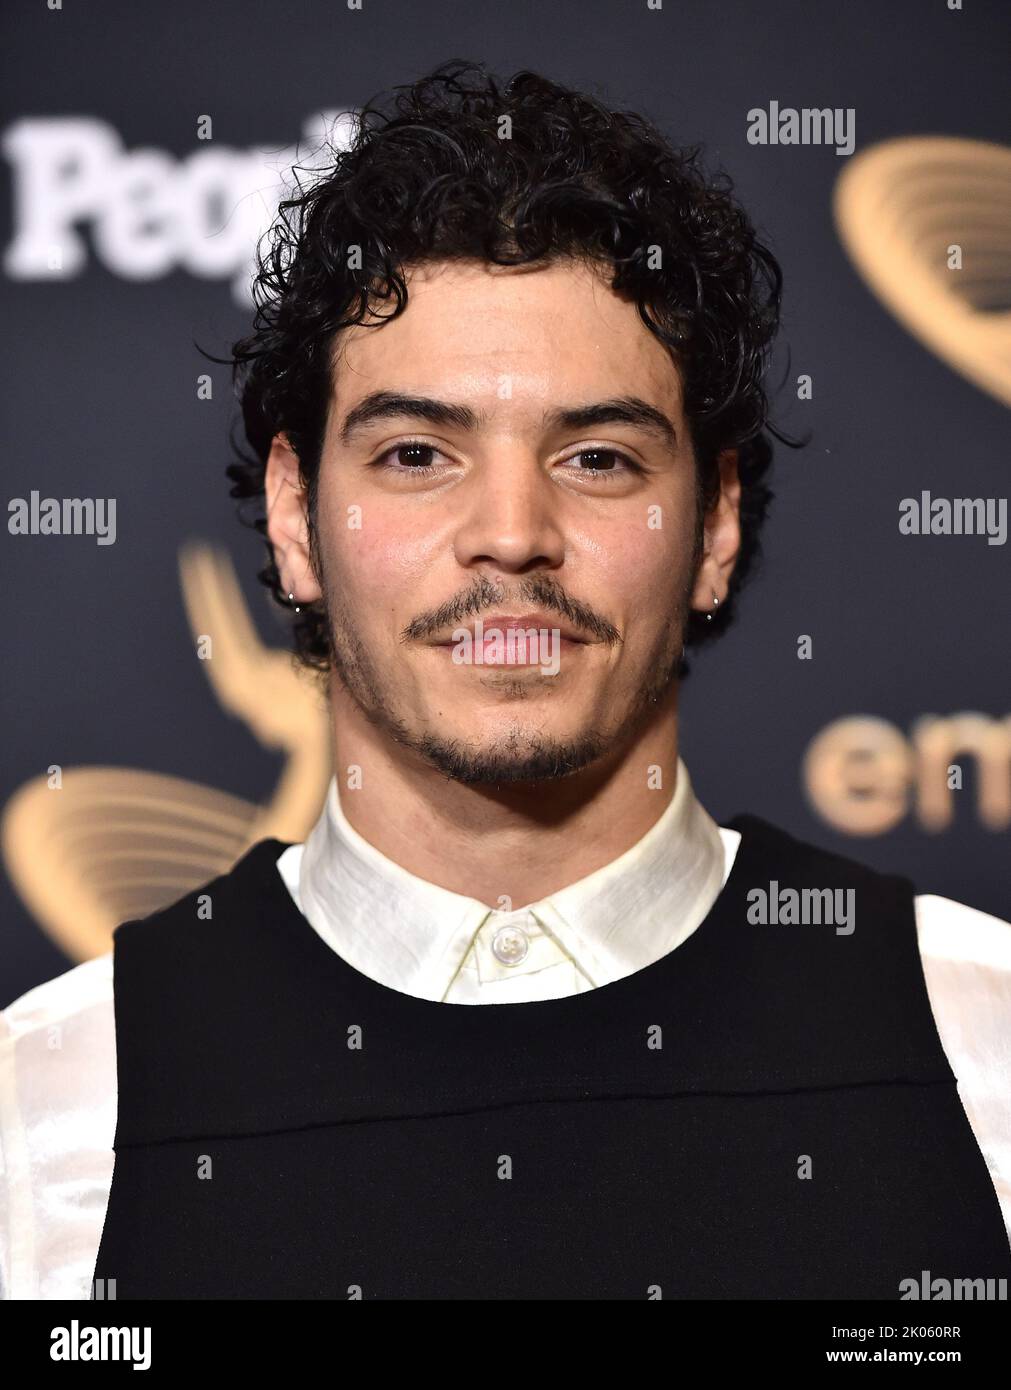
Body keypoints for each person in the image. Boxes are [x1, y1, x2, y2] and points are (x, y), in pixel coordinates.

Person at [2, 60, 1009, 1301]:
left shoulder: (983, 1039)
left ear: (717, 525)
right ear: (294, 516)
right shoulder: (44, 1112)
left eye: (596, 456)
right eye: (418, 452)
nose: (513, 531)